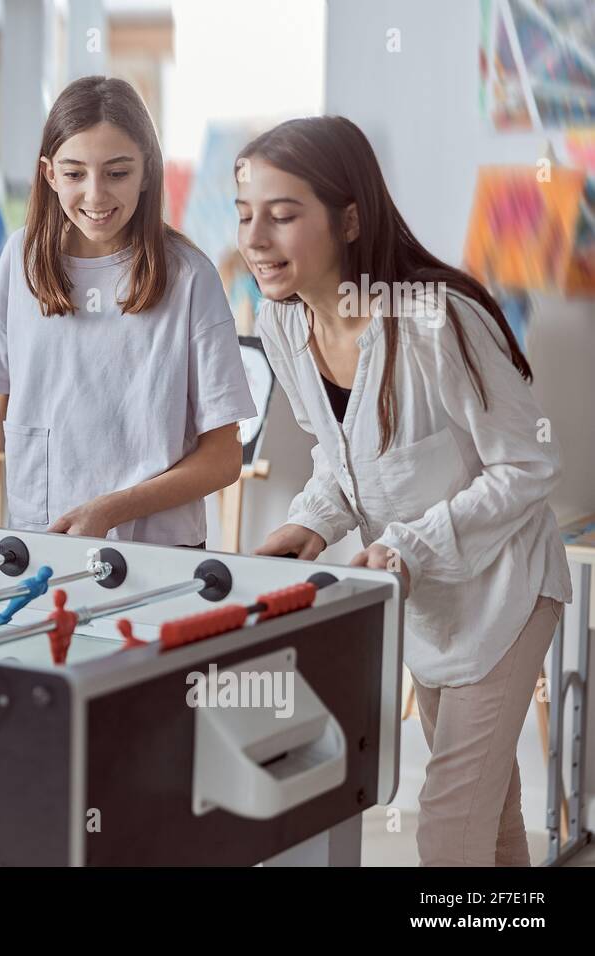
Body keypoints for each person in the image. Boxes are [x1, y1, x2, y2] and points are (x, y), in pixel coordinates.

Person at [238, 115, 571, 866]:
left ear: (349, 218)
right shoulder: (284, 326)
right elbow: (343, 457)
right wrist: (315, 522)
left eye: (284, 215)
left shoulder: (437, 323)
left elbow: (528, 467)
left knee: (448, 826)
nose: (256, 237)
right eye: (246, 213)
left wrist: (409, 545)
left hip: (509, 592)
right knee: (491, 819)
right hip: (426, 604)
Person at [0, 76, 254, 545]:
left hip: (156, 549)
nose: (96, 196)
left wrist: (111, 509)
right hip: (44, 537)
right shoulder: (21, 259)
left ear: (147, 173)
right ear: (49, 173)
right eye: (76, 173)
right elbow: (13, 402)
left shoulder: (191, 278)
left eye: (117, 173)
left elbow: (223, 457)